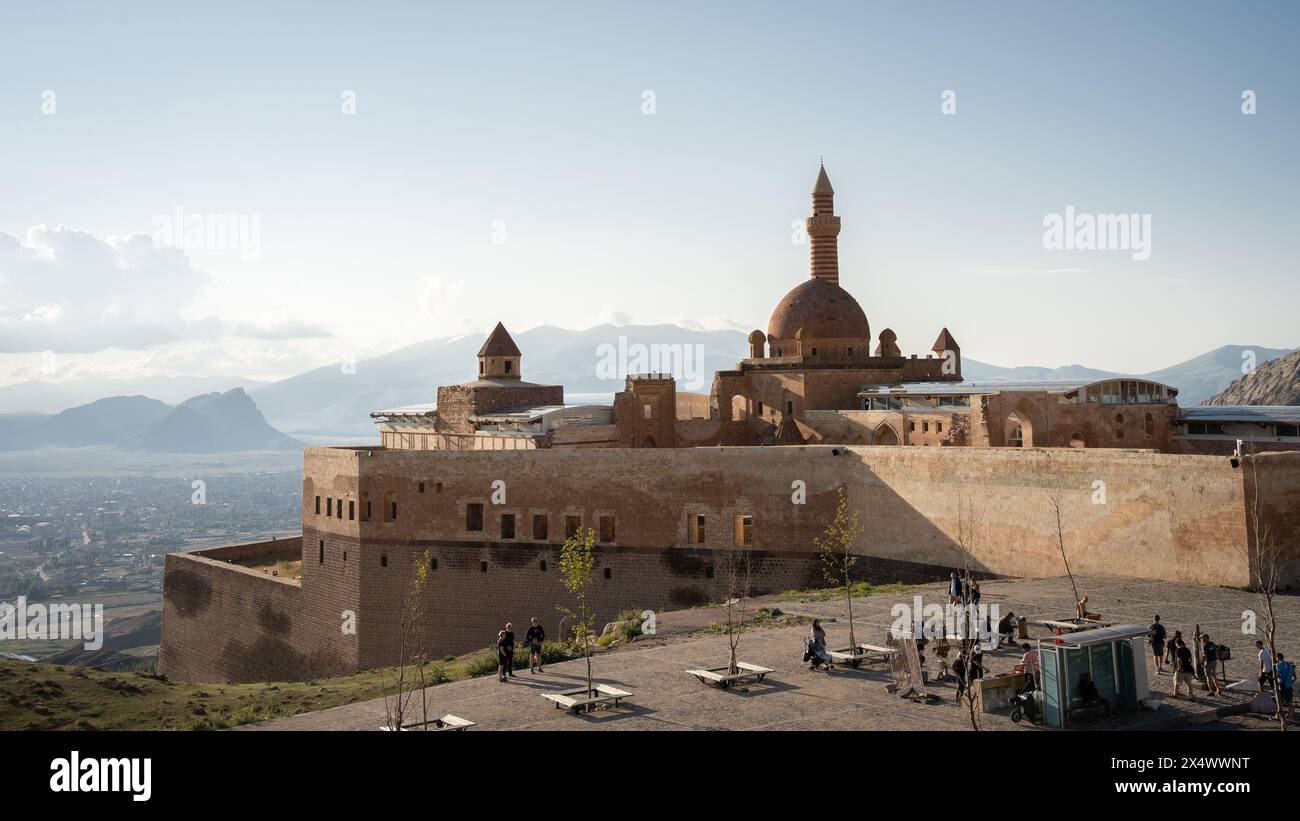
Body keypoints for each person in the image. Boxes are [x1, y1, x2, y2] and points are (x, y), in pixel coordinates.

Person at [1274, 652, 1295, 723]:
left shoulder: (1278, 665)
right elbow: (1294, 677)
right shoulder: (1289, 664)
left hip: (1282, 685)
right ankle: (1290, 714)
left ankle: (1277, 715)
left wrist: (1275, 678)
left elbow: (1279, 674)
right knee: (1290, 700)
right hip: (1289, 685)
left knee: (1279, 700)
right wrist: (1290, 681)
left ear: (1277, 658)